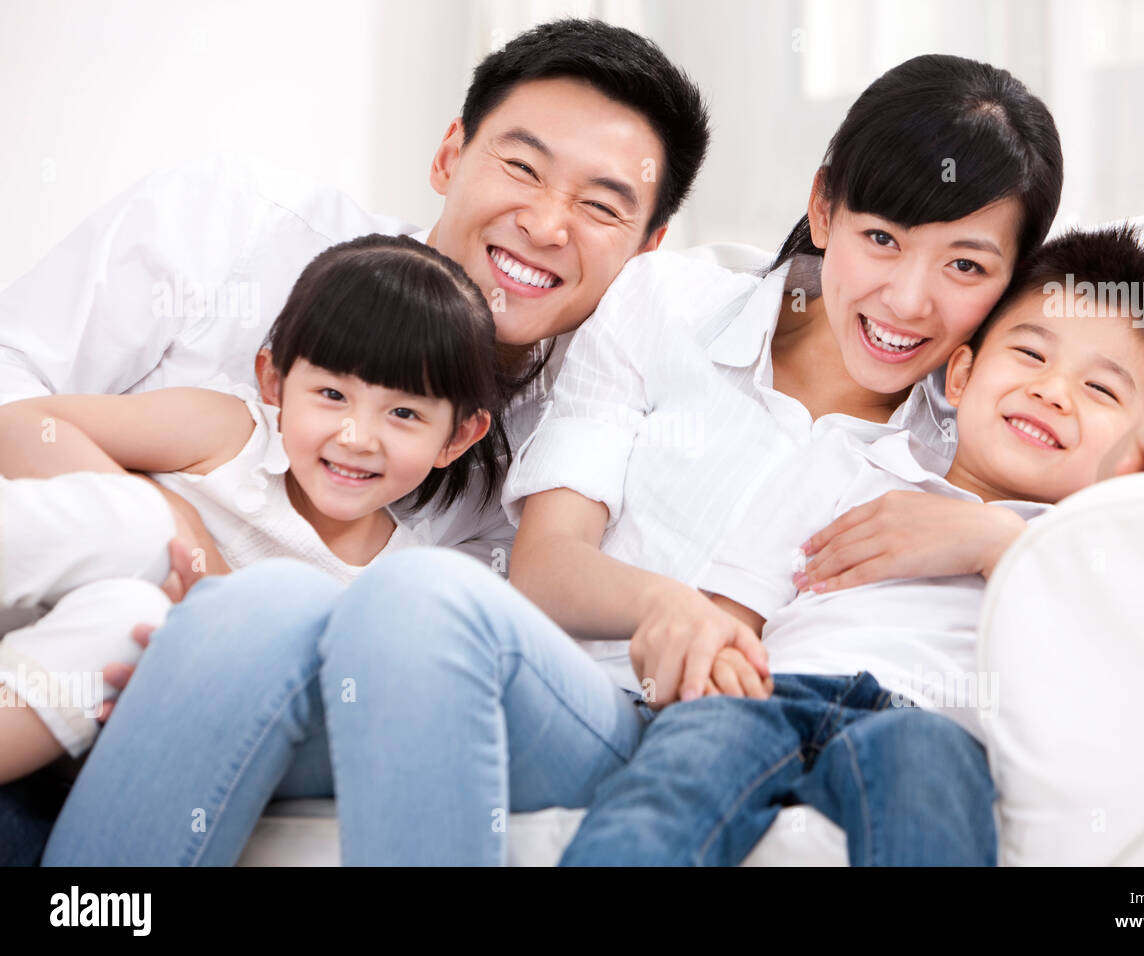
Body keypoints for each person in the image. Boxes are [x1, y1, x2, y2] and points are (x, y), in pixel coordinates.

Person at [43, 54, 1074, 866]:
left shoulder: (986, 426)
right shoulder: (664, 306)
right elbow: (544, 565)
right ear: (822, 208)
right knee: (243, 611)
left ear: (1011, 278)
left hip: (699, 739)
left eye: (967, 267)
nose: (907, 301)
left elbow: (1143, 488)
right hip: (572, 692)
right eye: (884, 239)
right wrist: (670, 603)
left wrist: (1008, 525)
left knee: (418, 600)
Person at [1, 16, 710, 864]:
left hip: (158, 705)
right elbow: (16, 398)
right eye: (521, 167)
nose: (548, 224)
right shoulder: (231, 226)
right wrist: (186, 556)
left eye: (600, 207)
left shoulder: (582, 435)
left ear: (647, 251)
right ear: (451, 155)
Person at [558, 224, 1144, 865]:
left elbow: (1123, 669)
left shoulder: (1079, 547)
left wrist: (1002, 539)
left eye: (1101, 390)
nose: (1051, 391)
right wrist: (702, 681)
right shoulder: (842, 458)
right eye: (1032, 354)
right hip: (771, 690)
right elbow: (728, 618)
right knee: (677, 772)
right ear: (961, 376)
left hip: (929, 721)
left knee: (923, 783)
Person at [0, 235, 506, 784]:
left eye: (404, 412)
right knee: (143, 527)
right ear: (274, 381)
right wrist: (182, 533)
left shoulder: (390, 587)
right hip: (30, 573)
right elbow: (24, 425)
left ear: (458, 437)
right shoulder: (230, 433)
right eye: (332, 395)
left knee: (135, 615)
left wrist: (210, 624)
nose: (358, 437)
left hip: (84, 683)